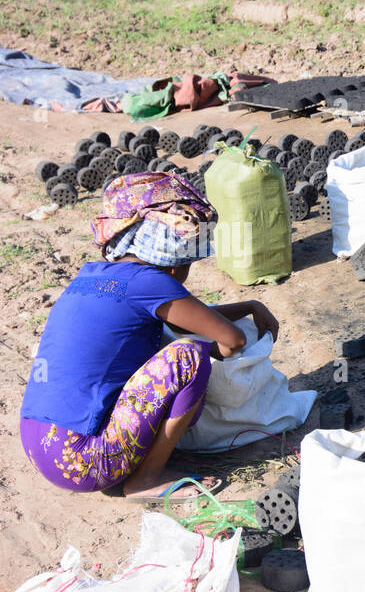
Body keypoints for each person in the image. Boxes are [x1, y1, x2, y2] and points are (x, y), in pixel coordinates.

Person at [19, 172, 280, 502]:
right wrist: (215, 365)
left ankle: (138, 461)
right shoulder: (152, 283)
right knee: (188, 356)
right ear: (174, 263)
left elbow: (182, 320)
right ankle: (146, 479)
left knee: (163, 344)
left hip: (39, 445)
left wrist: (248, 305)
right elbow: (233, 341)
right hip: (81, 461)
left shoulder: (90, 278)